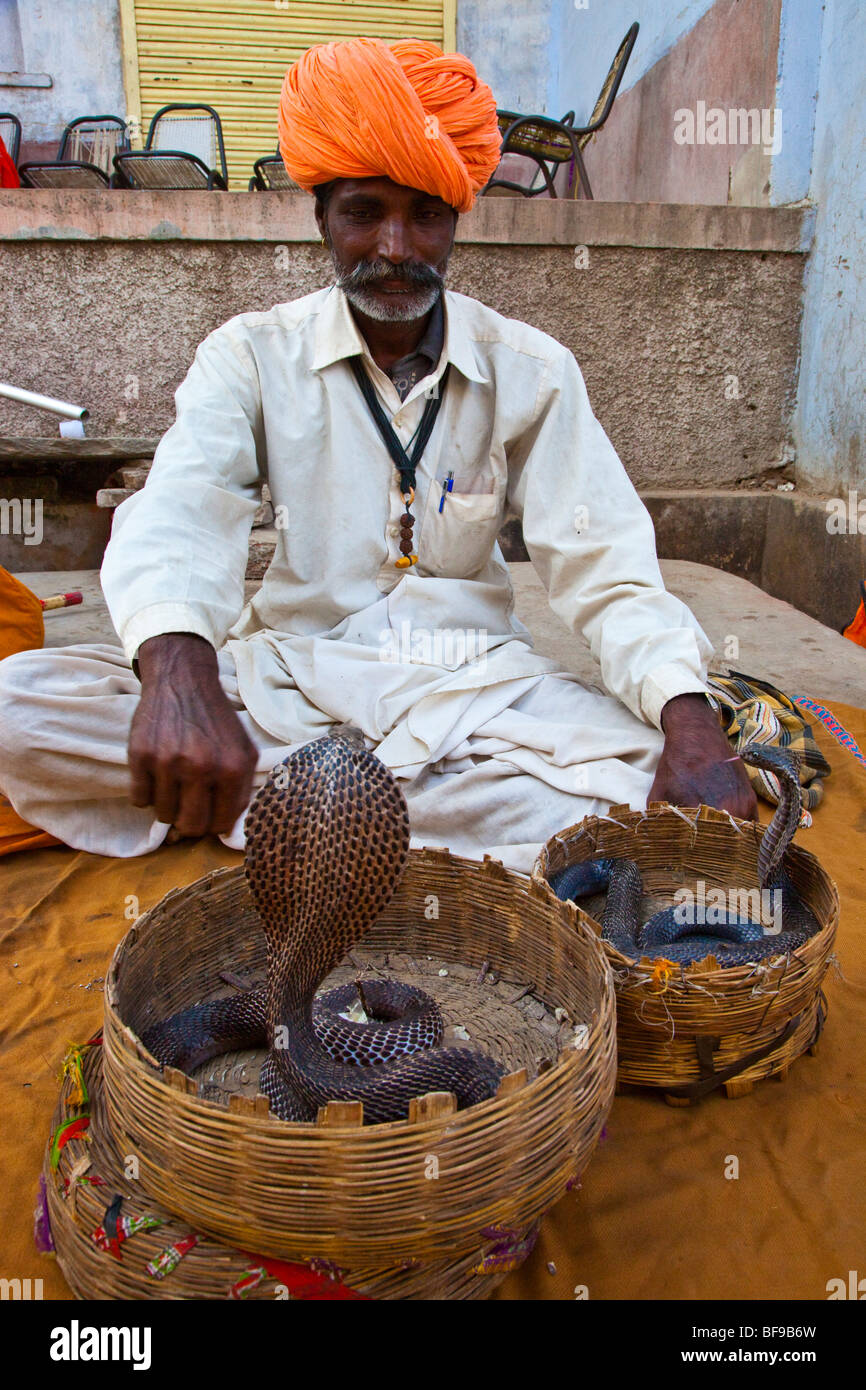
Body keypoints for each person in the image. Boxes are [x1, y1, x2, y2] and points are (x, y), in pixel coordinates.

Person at [0, 37, 755, 874]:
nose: (396, 247)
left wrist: (690, 718)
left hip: (475, 689)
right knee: (20, 709)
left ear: (456, 222)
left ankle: (286, 811)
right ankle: (401, 819)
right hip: (291, 680)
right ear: (321, 216)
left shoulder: (531, 370)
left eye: (425, 213)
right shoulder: (250, 354)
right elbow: (184, 505)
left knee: (649, 771)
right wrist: (180, 671)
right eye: (365, 212)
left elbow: (606, 565)